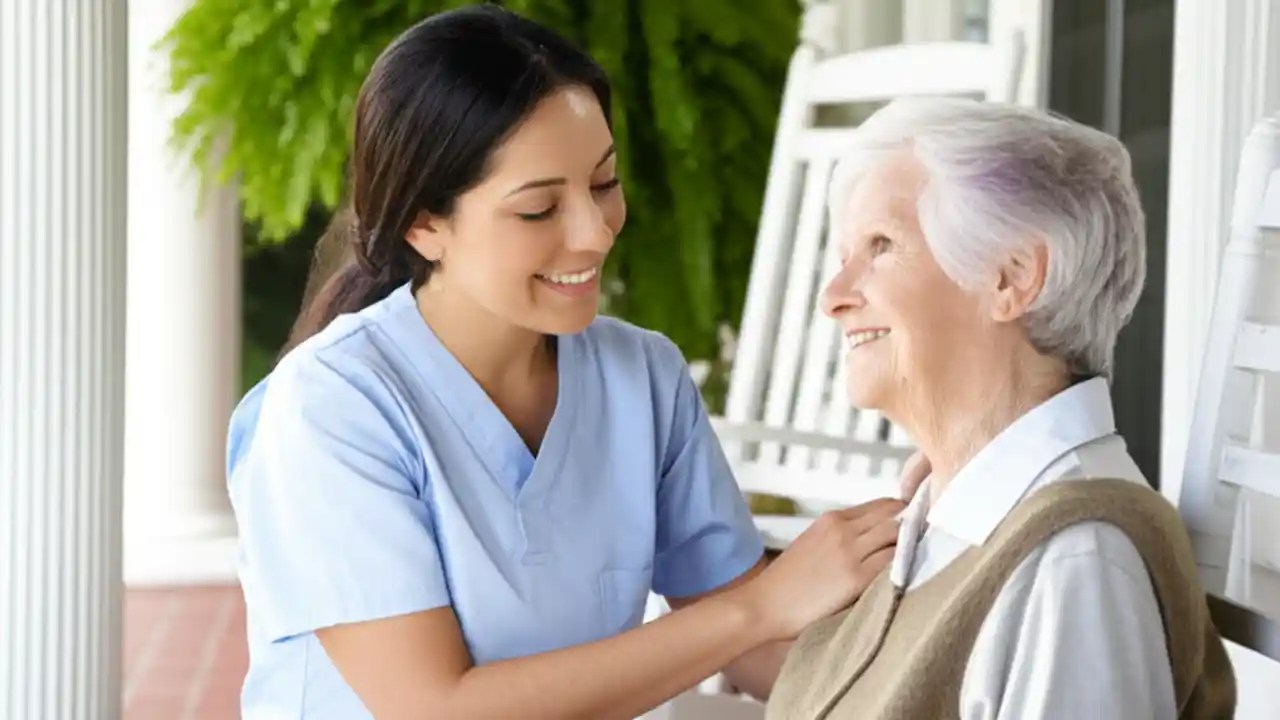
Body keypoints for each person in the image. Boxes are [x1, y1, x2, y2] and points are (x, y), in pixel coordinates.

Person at [225, 6, 918, 719]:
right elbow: (434, 708)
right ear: (424, 223)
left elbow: (760, 653)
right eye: (538, 209)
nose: (593, 234)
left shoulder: (643, 378)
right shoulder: (331, 405)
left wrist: (954, 536)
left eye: (604, 183)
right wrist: (759, 608)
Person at [764, 98, 1236, 719]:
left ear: (1011, 279)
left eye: (880, 245)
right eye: (844, 255)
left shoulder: (1076, 563)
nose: (833, 296)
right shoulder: (943, 521)